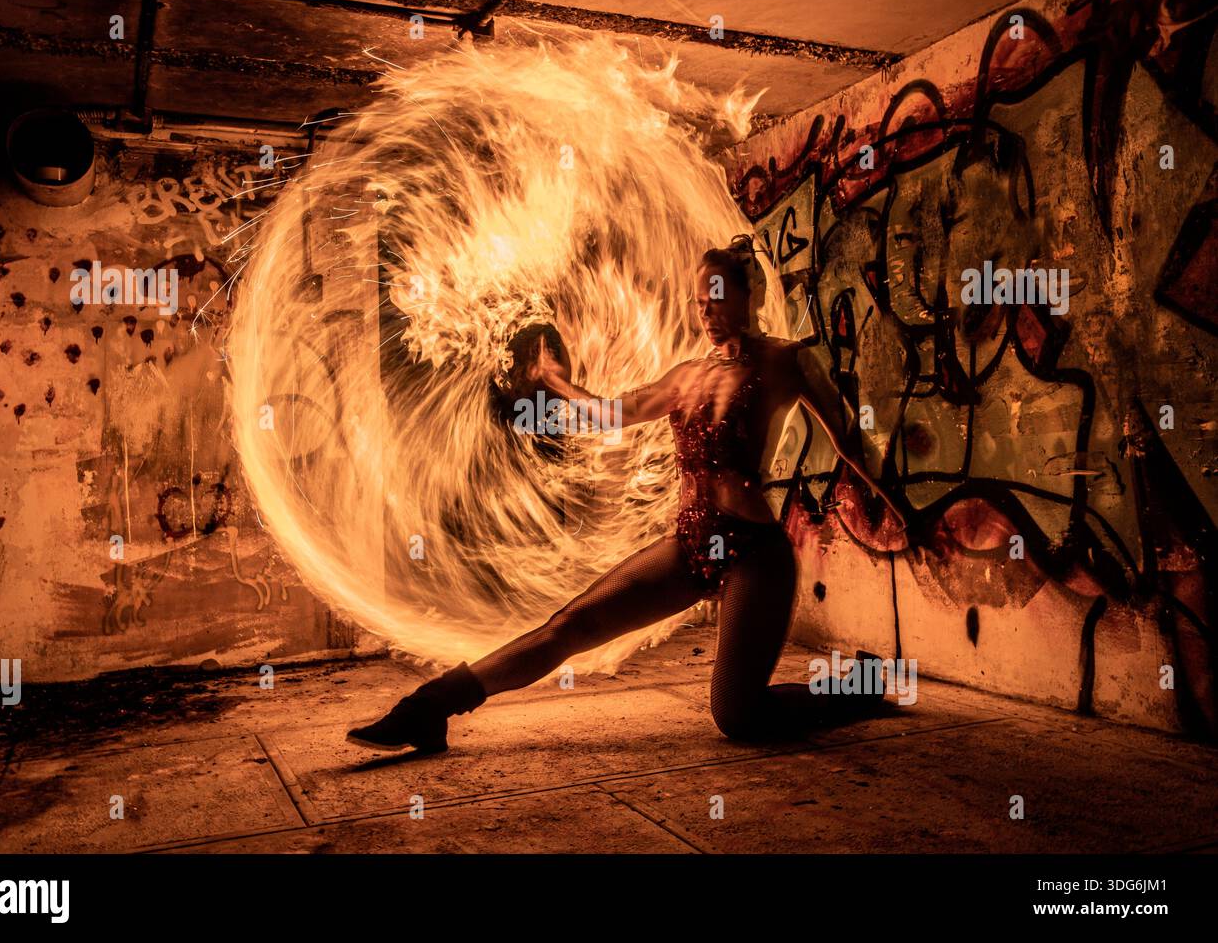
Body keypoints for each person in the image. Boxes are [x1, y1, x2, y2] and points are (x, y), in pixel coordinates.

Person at [347, 235, 908, 754]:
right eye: (697, 302)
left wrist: (897, 509)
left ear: (747, 294)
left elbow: (848, 440)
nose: (705, 311)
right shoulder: (687, 376)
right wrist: (560, 384)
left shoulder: (785, 361)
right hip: (690, 545)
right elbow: (615, 412)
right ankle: (430, 707)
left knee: (739, 718)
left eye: (716, 296)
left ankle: (857, 688)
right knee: (568, 627)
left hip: (753, 556)